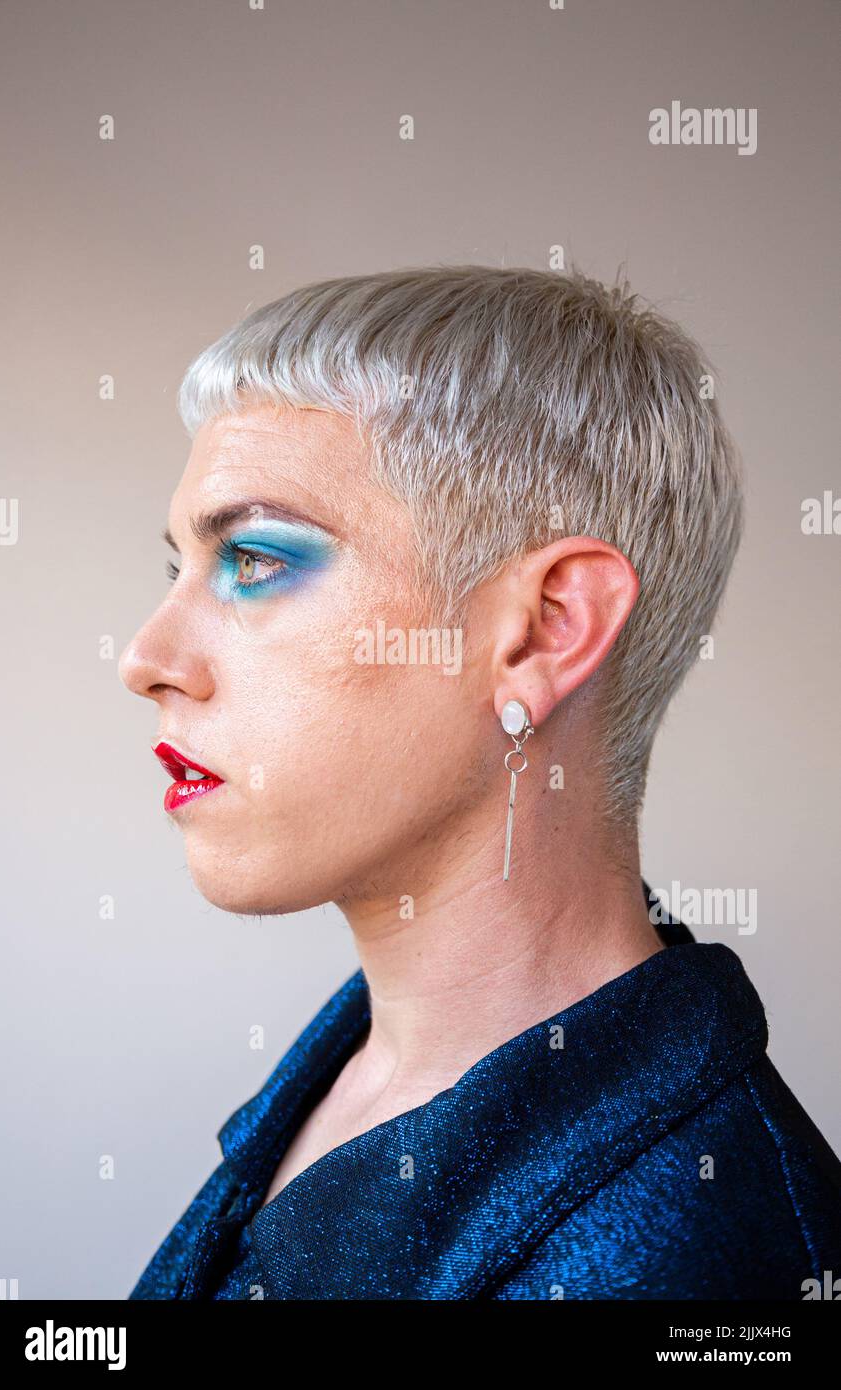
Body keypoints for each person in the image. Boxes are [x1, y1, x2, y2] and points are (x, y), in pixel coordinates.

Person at [119, 265, 841, 1299]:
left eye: (257, 559)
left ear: (547, 629)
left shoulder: (702, 1257)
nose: (144, 656)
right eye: (177, 570)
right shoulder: (352, 1074)